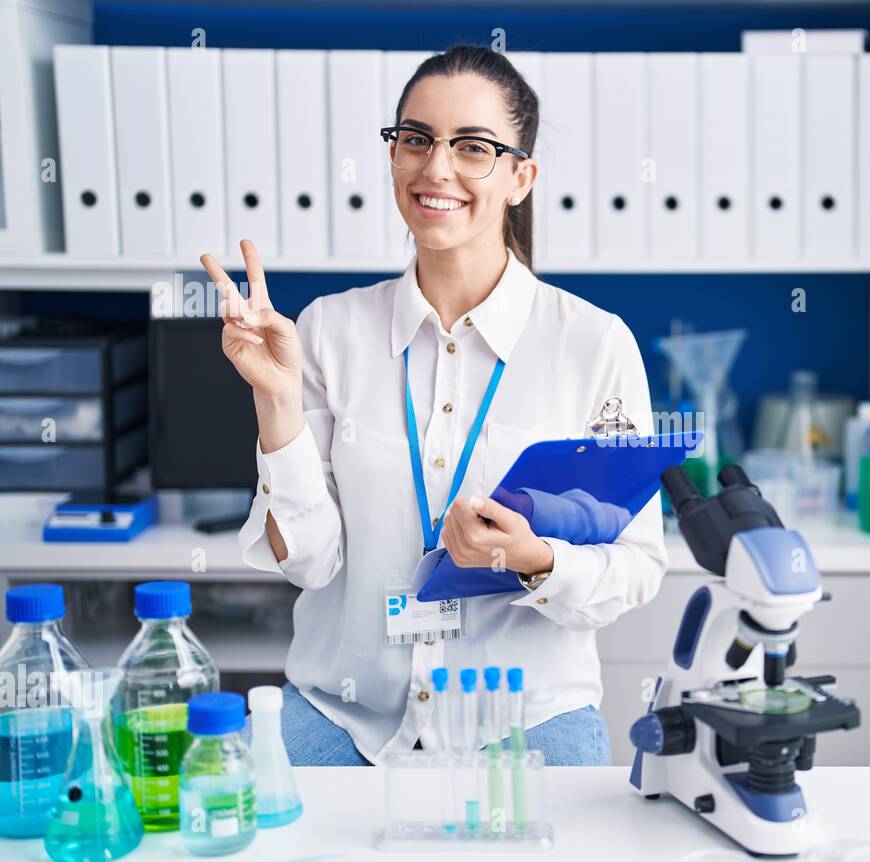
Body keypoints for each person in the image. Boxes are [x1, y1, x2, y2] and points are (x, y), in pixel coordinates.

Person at [200, 45, 665, 767]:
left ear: (521, 178)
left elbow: (636, 565)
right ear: (393, 156)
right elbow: (309, 563)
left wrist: (533, 558)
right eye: (415, 139)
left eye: (473, 147)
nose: (436, 168)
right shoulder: (326, 329)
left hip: (528, 719)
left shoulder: (595, 344)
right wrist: (276, 401)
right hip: (344, 714)